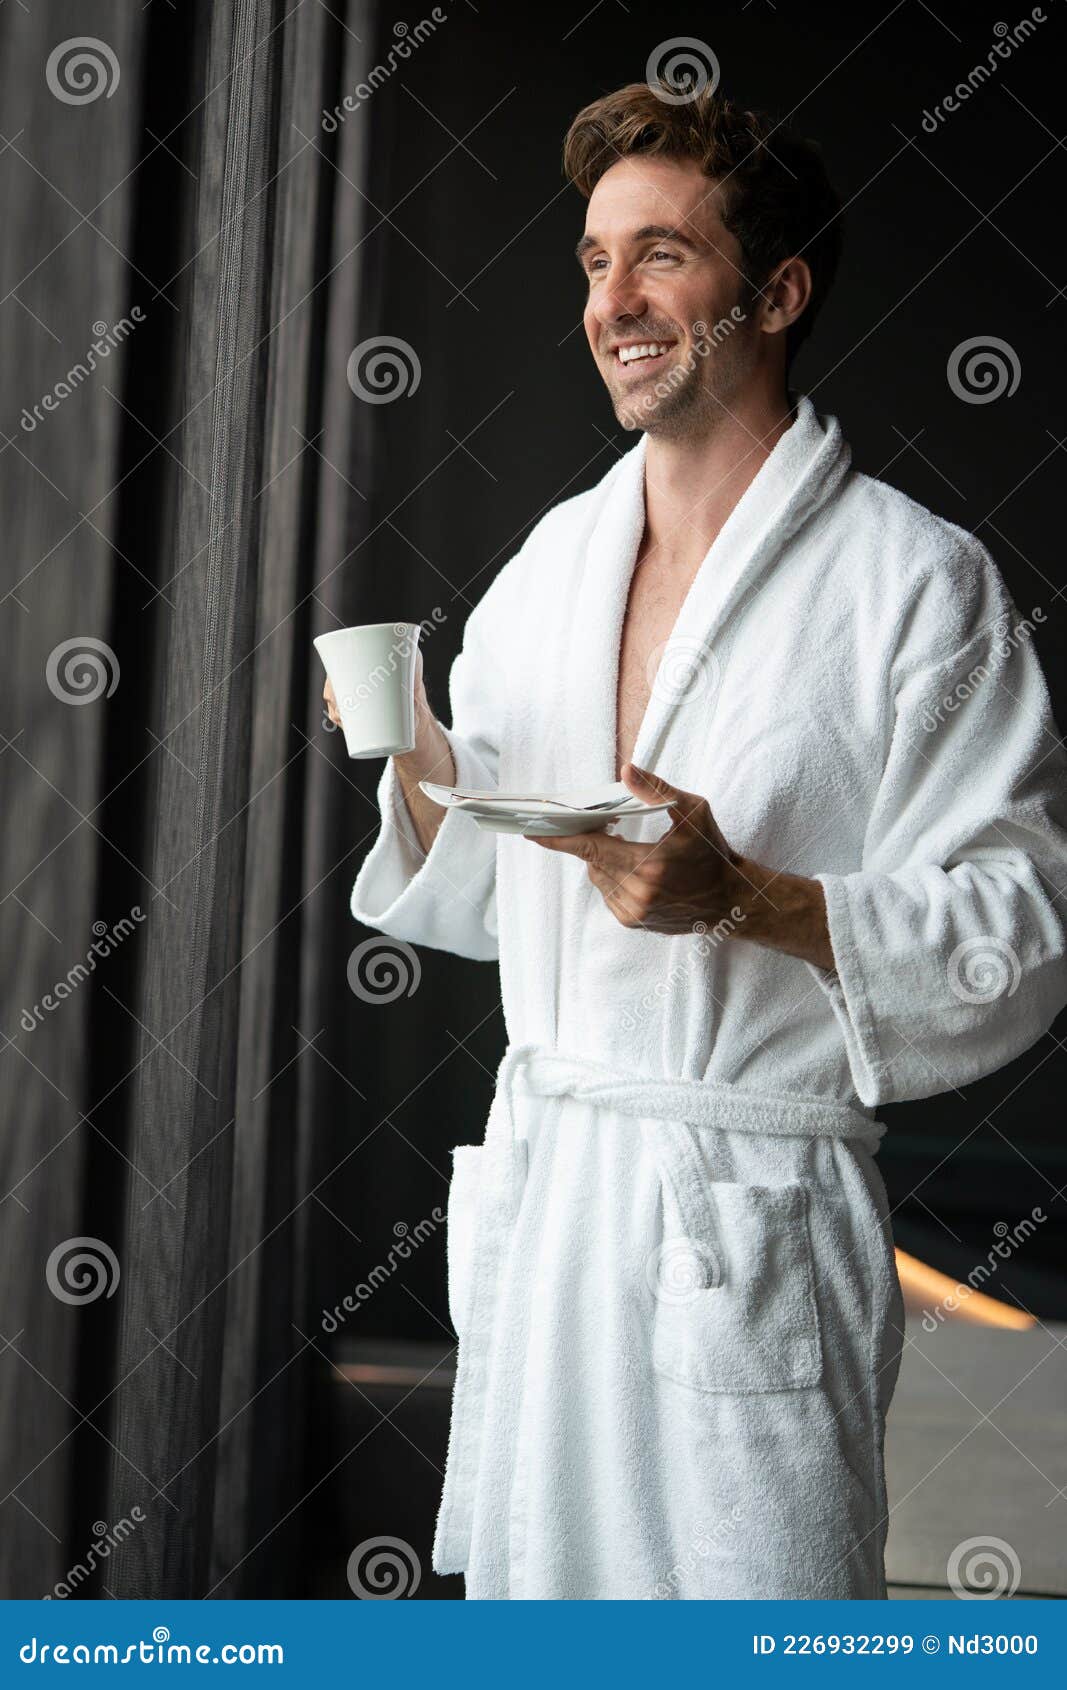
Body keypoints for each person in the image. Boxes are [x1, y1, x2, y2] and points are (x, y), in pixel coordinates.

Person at [329, 82, 1067, 1599]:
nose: (615, 301)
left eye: (662, 254)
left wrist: (749, 899)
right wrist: (414, 760)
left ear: (777, 291)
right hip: (558, 1204)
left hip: (750, 1224)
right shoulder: (548, 568)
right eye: (597, 262)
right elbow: (485, 883)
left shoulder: (918, 589)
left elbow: (1025, 923)